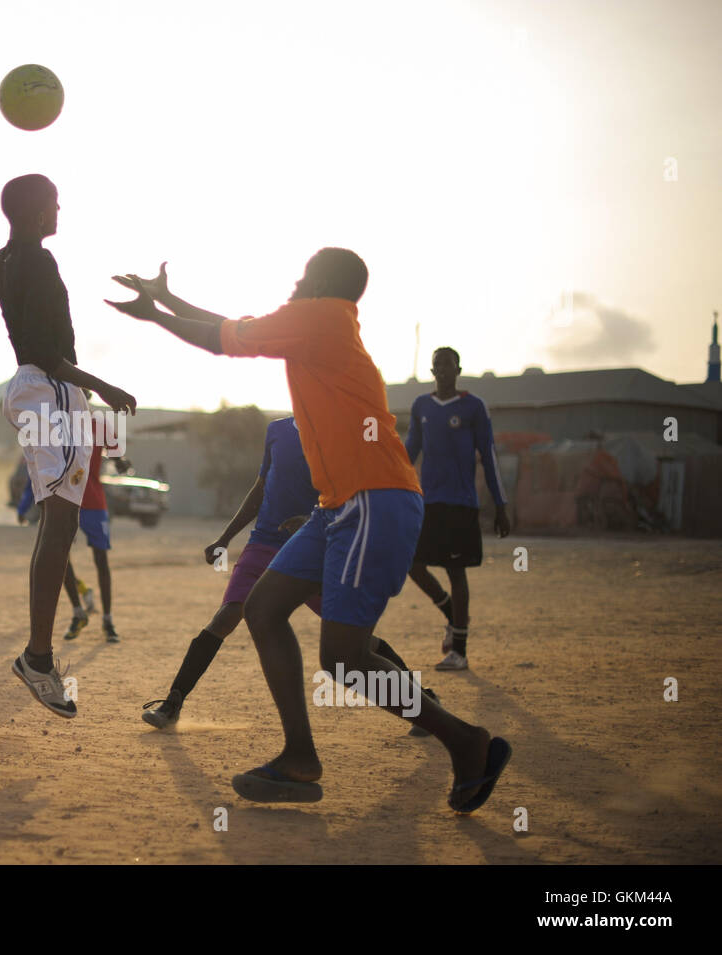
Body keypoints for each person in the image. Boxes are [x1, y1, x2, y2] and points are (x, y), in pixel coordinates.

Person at [108, 250, 510, 813]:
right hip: (337, 507)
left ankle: (464, 741)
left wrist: (157, 315)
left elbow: (225, 339)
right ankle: (299, 757)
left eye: (301, 275)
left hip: (375, 499)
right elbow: (238, 328)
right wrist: (167, 300)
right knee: (264, 608)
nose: (294, 283)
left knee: (344, 659)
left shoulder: (322, 318)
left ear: (320, 283)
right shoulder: (320, 324)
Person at [0, 173, 136, 718]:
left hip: (45, 392)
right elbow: (39, 346)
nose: (60, 211)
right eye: (55, 204)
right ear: (38, 213)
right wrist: (101, 386)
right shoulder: (36, 261)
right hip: (50, 390)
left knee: (57, 524)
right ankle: (37, 658)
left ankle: (39, 656)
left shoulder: (6, 258)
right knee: (59, 525)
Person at [141, 416, 435, 736]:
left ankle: (422, 703)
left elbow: (352, 489)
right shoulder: (277, 430)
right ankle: (172, 704)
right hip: (264, 541)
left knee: (354, 639)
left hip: (313, 546)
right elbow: (262, 485)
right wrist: (225, 538)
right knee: (225, 617)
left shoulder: (339, 428)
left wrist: (314, 519)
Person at [405, 347, 510, 670]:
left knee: (455, 571)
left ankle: (459, 652)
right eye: (437, 366)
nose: (442, 371)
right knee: (413, 564)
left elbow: (488, 456)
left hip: (461, 504)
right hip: (429, 502)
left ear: (458, 369)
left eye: (448, 366)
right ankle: (452, 614)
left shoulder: (473, 407)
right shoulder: (422, 406)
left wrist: (500, 503)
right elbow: (409, 452)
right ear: (432, 371)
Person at [62, 412, 118, 642]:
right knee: (60, 557)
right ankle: (78, 612)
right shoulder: (58, 423)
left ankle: (108, 619)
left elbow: (117, 452)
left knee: (101, 561)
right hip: (66, 500)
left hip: (94, 502)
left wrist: (121, 461)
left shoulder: (99, 424)